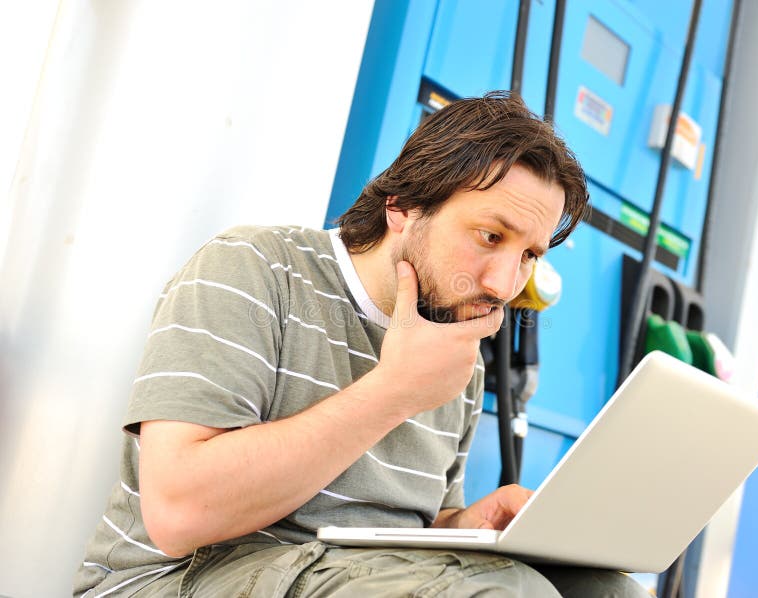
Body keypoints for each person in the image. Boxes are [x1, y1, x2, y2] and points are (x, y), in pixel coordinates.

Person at [75, 92, 650, 597]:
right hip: (178, 580)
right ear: (401, 207)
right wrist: (394, 392)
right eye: (490, 236)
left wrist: (463, 527)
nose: (504, 284)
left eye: (528, 255)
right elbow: (180, 511)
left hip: (352, 575)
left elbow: (399, 541)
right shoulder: (254, 269)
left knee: (611, 592)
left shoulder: (456, 346)